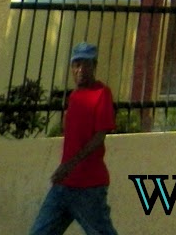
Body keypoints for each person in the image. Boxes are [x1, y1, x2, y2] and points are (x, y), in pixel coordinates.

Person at [29, 42, 119, 235]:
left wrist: (70, 165)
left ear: (94, 66)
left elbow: (99, 137)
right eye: (76, 64)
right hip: (64, 185)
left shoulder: (102, 94)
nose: (80, 70)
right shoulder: (74, 97)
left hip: (88, 187)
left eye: (86, 65)